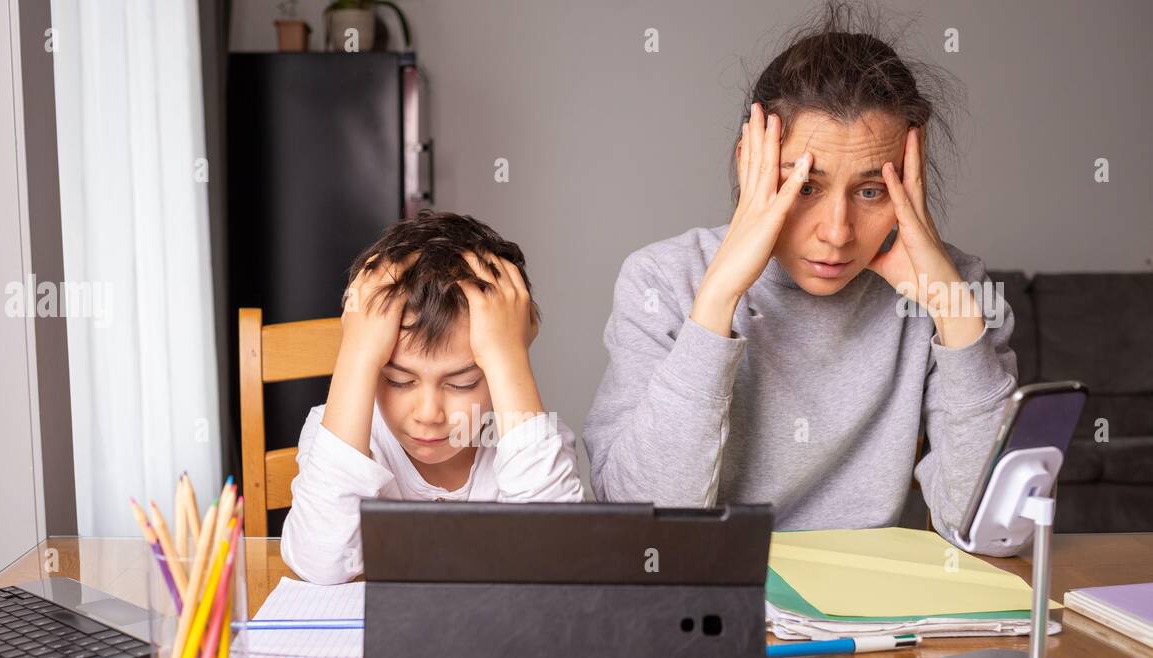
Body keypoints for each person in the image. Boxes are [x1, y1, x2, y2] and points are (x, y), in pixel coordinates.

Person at [583, 2, 1019, 555]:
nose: (836, 233)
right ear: (750, 165)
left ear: (910, 184)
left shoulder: (955, 291)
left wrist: (952, 309)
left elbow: (992, 533)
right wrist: (717, 301)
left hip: (871, 615)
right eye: (805, 187)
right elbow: (641, 525)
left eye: (870, 191)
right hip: (710, 605)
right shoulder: (663, 279)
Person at [282, 211, 584, 584]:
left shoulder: (533, 442)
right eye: (397, 380)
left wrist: (509, 356)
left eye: (461, 383)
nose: (428, 414)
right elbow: (319, 563)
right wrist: (356, 353)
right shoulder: (339, 431)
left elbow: (559, 564)